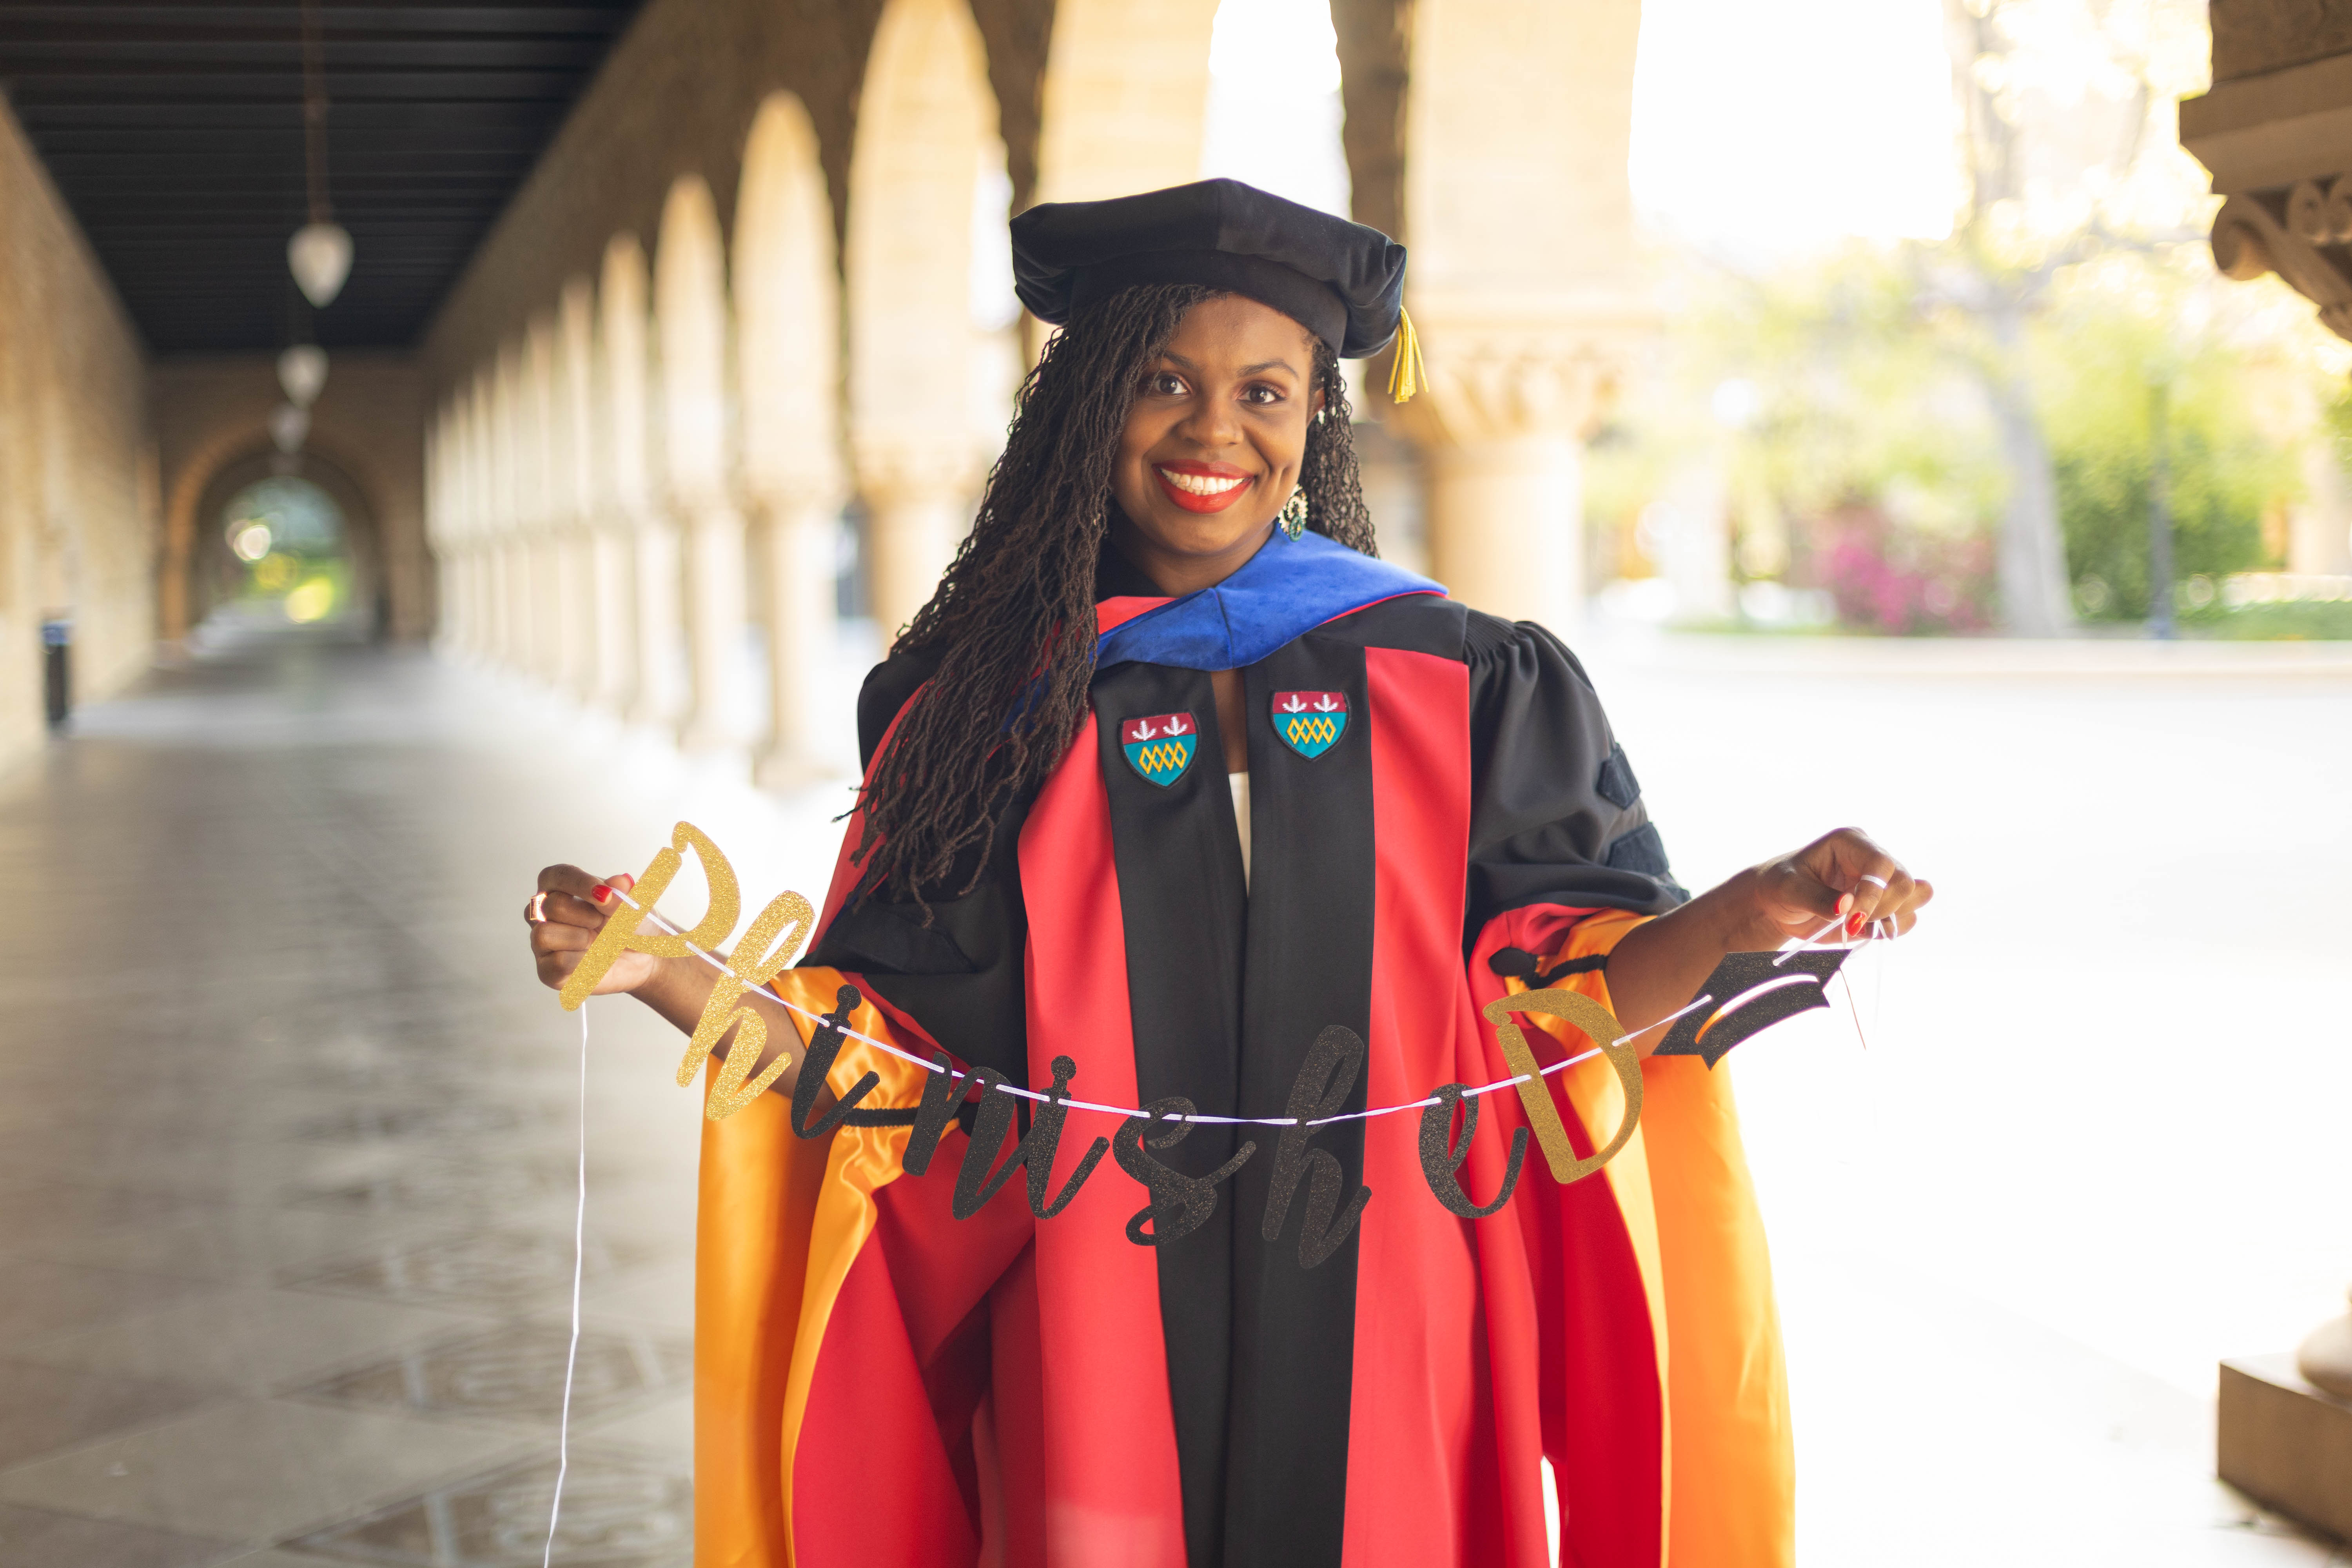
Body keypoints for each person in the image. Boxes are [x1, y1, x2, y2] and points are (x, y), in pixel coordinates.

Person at [526, 178, 1932, 1568]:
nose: (1215, 430)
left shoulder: (1469, 685)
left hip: (1402, 1340)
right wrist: (668, 973)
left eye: (1265, 392)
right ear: (1090, 407)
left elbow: (1568, 1018)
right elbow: (896, 1075)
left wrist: (1751, 910)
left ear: (1315, 416)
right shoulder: (981, 721)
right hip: (1096, 1351)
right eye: (1163, 381)